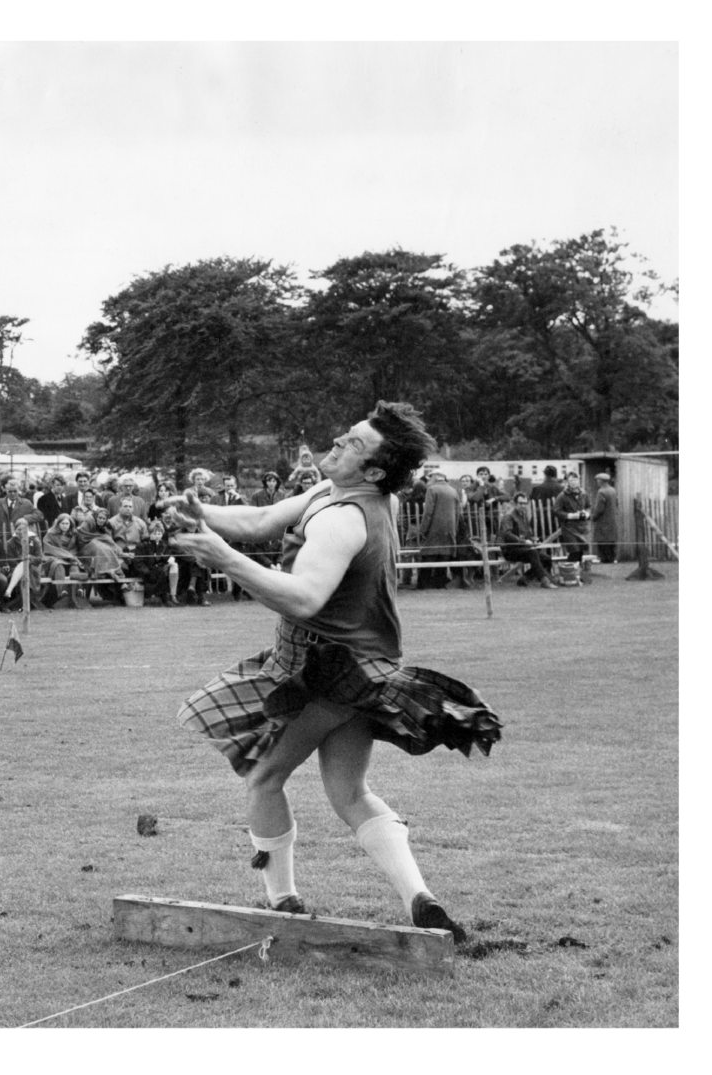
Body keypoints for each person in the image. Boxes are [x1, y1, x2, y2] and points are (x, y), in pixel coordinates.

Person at [169, 402, 500, 940]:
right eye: (346, 435)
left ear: (372, 472)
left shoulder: (344, 519)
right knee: (349, 791)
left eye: (354, 445)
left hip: (326, 667)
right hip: (361, 667)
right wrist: (202, 513)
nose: (339, 444)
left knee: (265, 777)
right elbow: (259, 519)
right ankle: (421, 898)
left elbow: (303, 598)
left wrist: (224, 558)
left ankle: (285, 903)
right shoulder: (334, 493)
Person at [498, 493, 557, 589]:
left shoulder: (523, 516)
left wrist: (534, 540)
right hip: (509, 550)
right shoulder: (508, 516)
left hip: (523, 548)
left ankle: (525, 579)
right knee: (533, 552)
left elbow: (527, 534)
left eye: (525, 503)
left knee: (546, 558)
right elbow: (507, 535)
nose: (523, 506)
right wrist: (524, 541)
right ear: (514, 503)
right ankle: (545, 581)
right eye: (520, 503)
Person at [416, 471, 460, 589]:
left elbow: (428, 512)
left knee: (428, 556)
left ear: (434, 478)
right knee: (444, 556)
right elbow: (457, 513)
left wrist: (422, 530)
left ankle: (424, 584)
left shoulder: (432, 489)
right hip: (449, 529)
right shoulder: (453, 490)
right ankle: (440, 584)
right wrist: (454, 530)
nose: (428, 481)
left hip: (434, 528)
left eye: (429, 478)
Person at [553, 471, 591, 565]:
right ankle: (568, 573)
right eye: (571, 480)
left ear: (579, 481)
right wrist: (570, 515)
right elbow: (556, 511)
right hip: (569, 528)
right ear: (567, 482)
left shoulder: (584, 493)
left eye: (576, 479)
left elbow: (589, 506)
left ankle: (577, 575)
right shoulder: (562, 496)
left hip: (582, 527)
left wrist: (586, 513)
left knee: (581, 551)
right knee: (574, 551)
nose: (574, 482)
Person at [590, 472, 619, 564]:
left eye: (597, 480)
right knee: (611, 540)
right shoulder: (613, 490)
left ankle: (605, 559)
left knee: (603, 540)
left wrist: (593, 517)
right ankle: (612, 558)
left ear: (601, 481)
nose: (597, 482)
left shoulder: (601, 491)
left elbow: (599, 508)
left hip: (603, 520)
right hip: (612, 519)